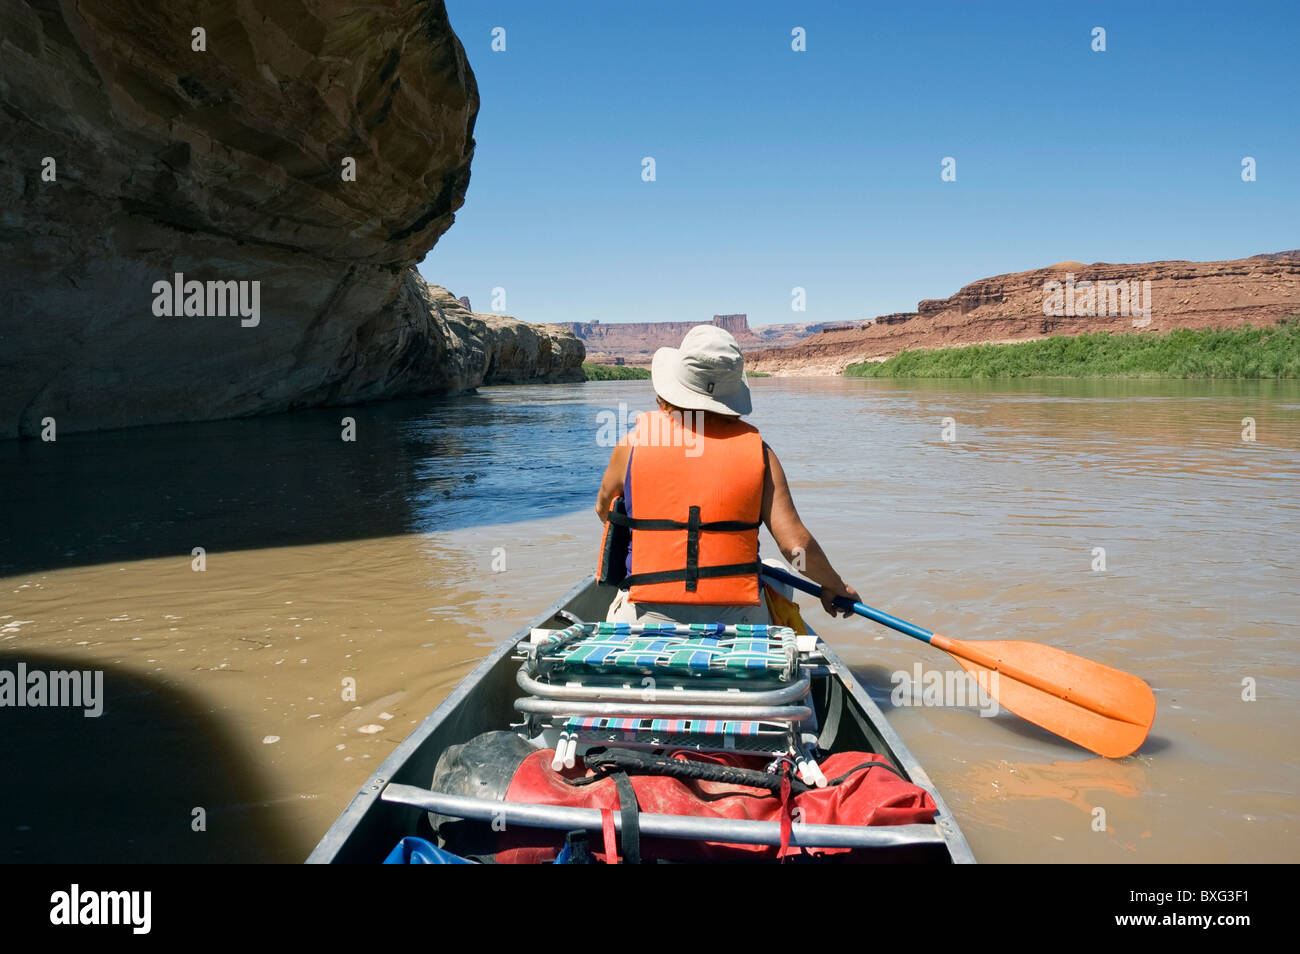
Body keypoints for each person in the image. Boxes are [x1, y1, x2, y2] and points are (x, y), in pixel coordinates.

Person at [594, 325, 860, 625]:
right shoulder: (760, 453)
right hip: (737, 620)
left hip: (643, 617)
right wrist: (834, 585)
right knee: (777, 571)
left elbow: (605, 511)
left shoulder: (631, 445)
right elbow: (794, 545)